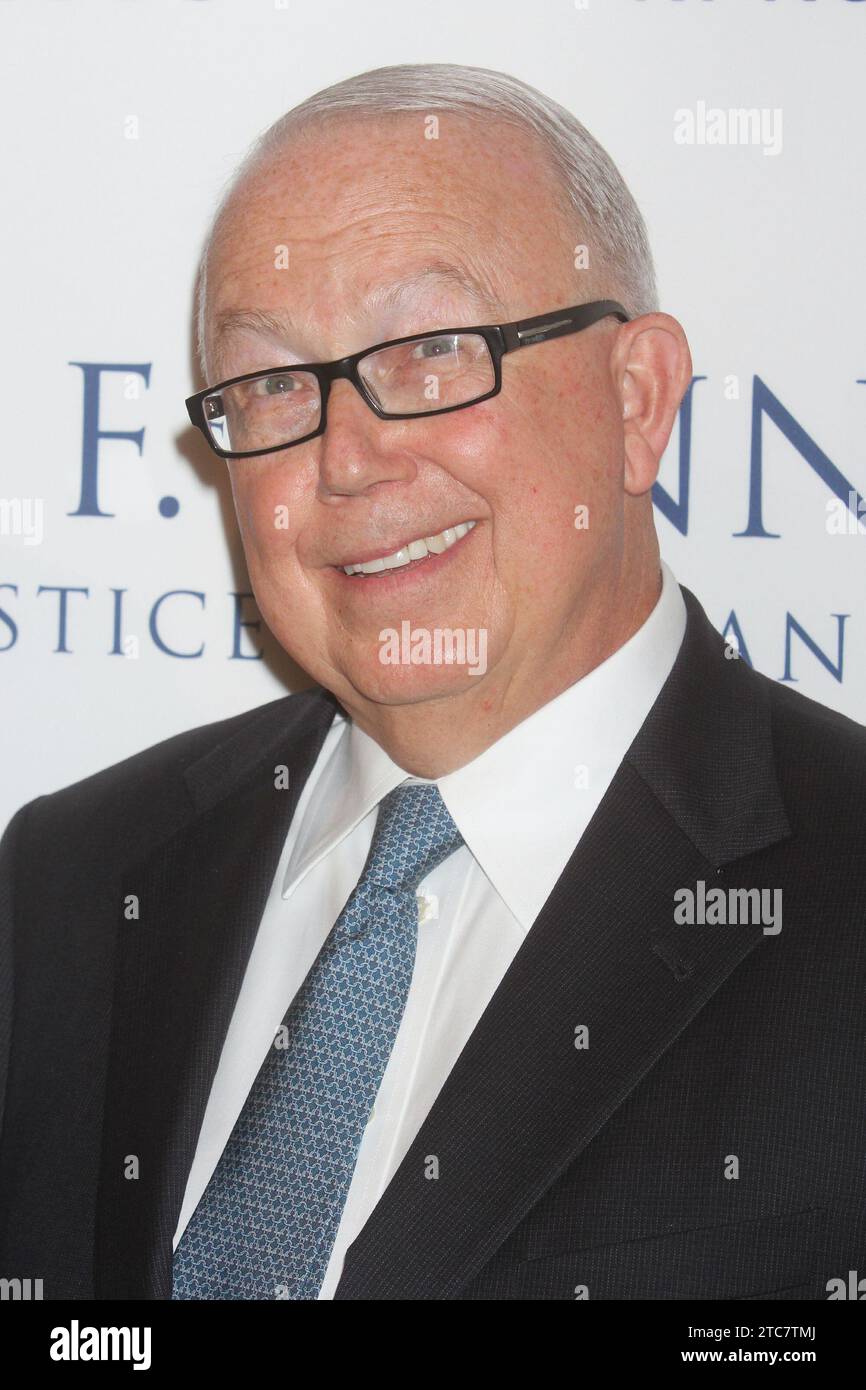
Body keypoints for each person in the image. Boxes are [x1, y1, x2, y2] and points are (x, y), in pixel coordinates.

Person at [1, 63, 864, 1302]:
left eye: (431, 351)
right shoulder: (71, 879)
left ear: (637, 398)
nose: (347, 459)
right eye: (277, 384)